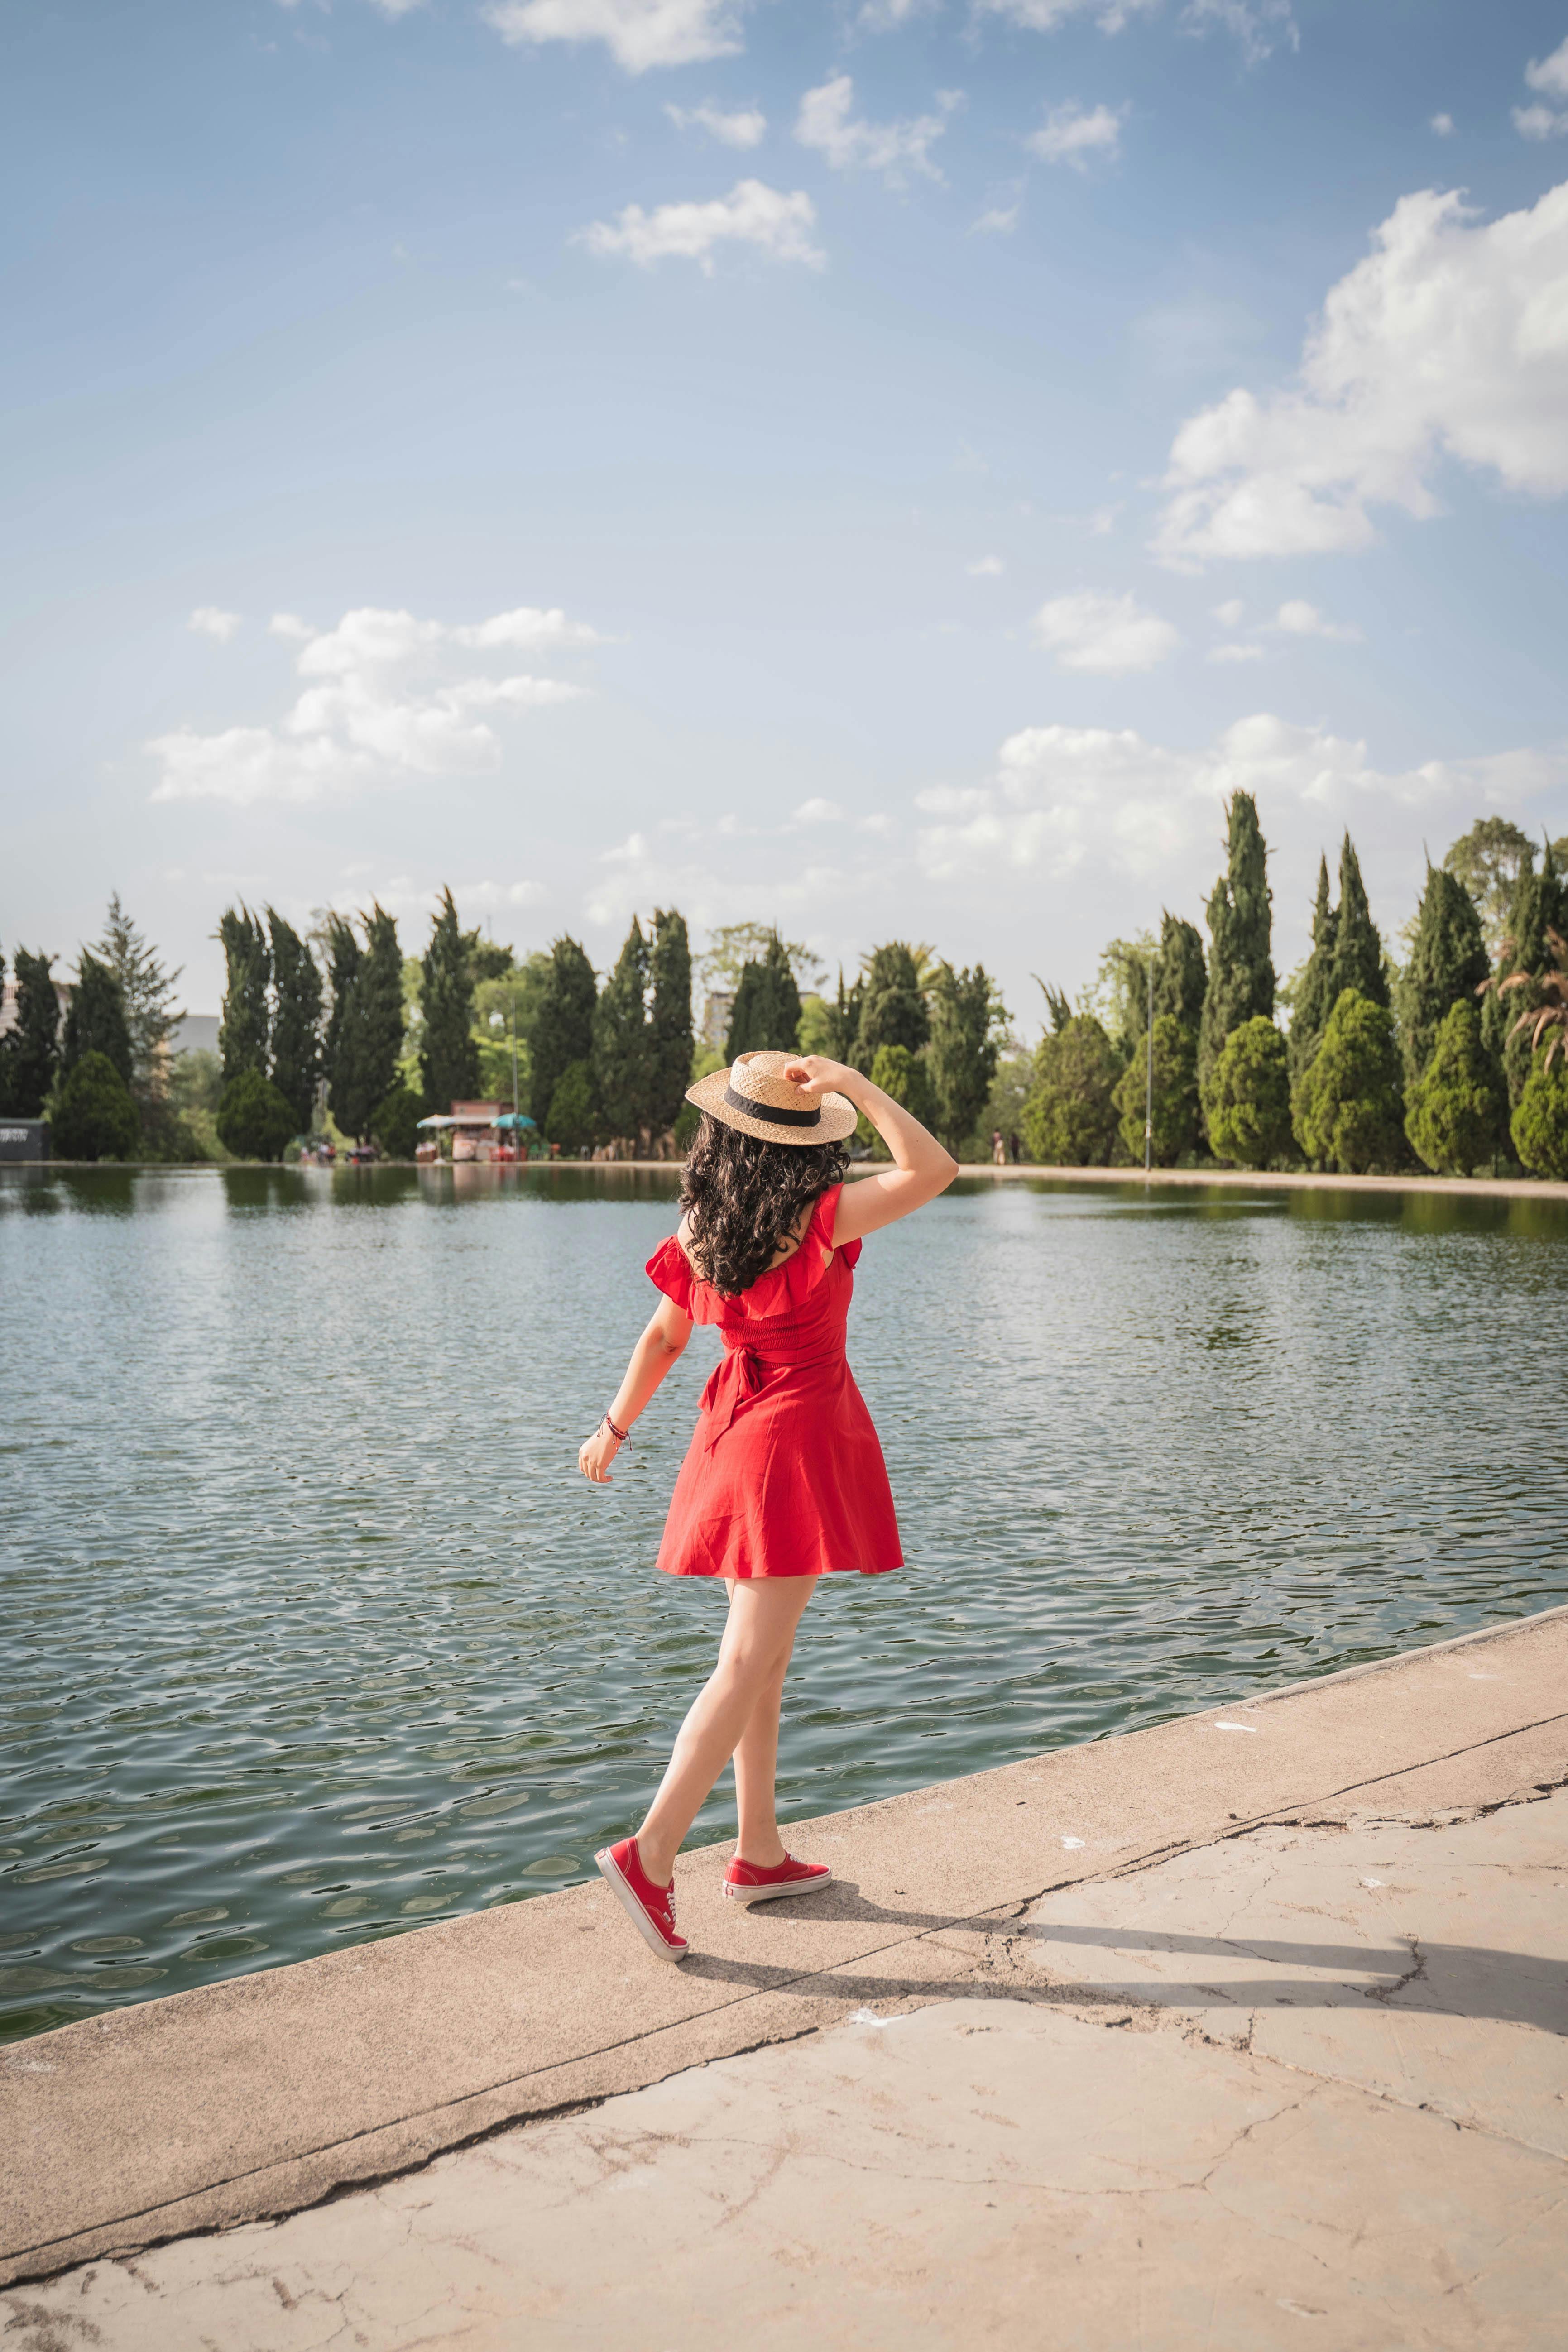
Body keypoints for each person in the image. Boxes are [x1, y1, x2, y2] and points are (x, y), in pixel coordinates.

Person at [577, 1049, 957, 1962]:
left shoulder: (707, 1222)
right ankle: (650, 1855)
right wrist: (858, 1088)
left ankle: (757, 1851)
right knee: (747, 1661)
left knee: (762, 1662)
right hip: (788, 1446)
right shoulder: (822, 1215)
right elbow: (935, 1169)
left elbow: (668, 1332)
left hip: (732, 1437)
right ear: (801, 1144)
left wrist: (613, 1427)